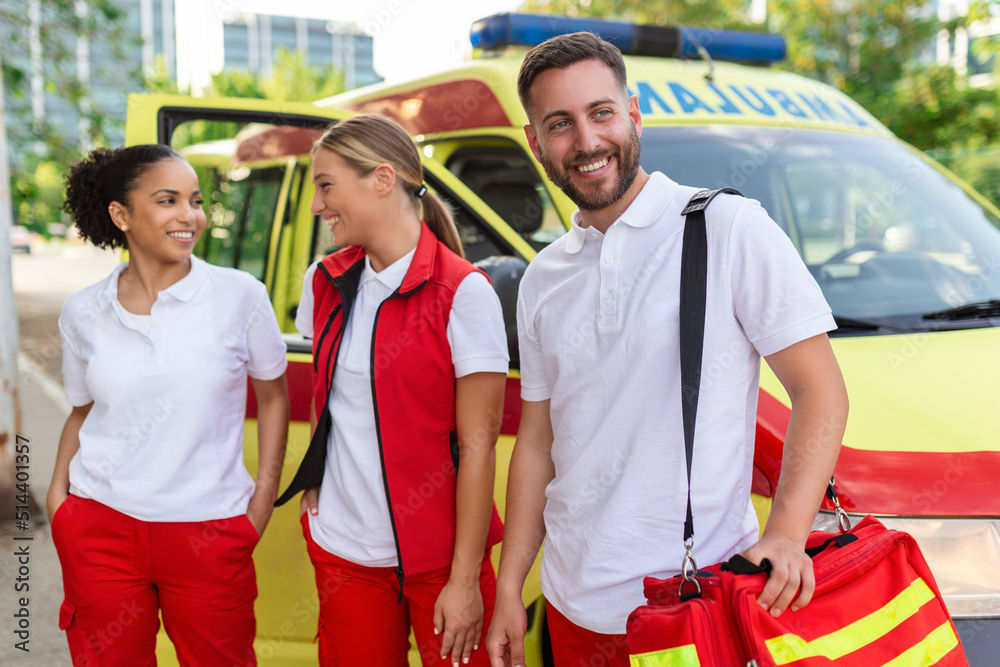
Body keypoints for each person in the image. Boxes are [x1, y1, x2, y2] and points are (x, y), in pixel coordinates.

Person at [486, 33, 849, 667]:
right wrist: (511, 588)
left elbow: (820, 391)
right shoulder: (543, 277)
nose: (587, 141)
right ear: (535, 143)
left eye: (601, 113)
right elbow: (538, 442)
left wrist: (788, 536)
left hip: (695, 602)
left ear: (633, 115)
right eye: (560, 124)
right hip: (571, 607)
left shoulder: (728, 227)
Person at [273, 114, 509, 667]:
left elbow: (478, 448)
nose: (317, 205)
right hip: (344, 551)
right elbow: (332, 396)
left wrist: (463, 580)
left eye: (326, 186)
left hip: (442, 562)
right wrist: (318, 473)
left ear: (382, 179)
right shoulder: (323, 280)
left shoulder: (464, 293)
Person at [48, 144, 289, 666]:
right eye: (168, 200)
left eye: (195, 201)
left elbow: (273, 396)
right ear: (121, 215)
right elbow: (82, 412)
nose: (190, 216)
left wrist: (262, 499)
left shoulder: (240, 296)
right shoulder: (84, 311)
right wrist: (58, 502)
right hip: (100, 527)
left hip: (210, 530)